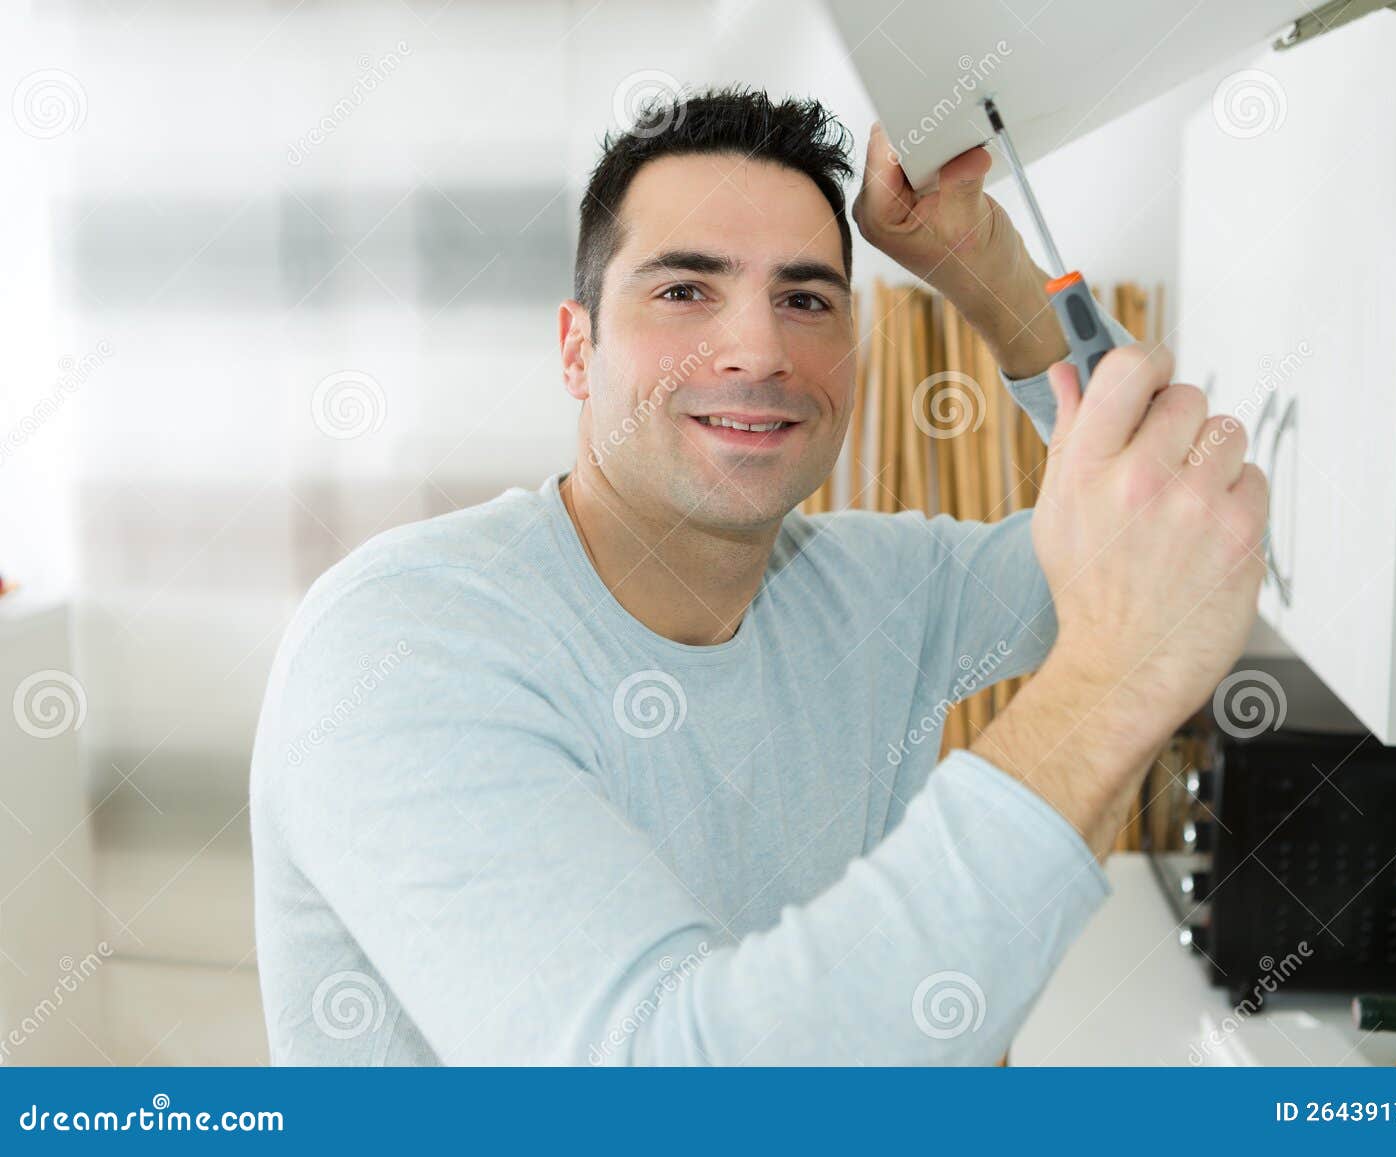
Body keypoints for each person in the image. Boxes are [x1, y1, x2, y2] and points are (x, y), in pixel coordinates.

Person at [249, 88, 1267, 1064]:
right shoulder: (401, 643)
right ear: (576, 348)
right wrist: (1105, 692)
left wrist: (978, 263)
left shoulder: (861, 587)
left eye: (805, 297)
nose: (759, 347)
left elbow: (1183, 517)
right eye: (685, 289)